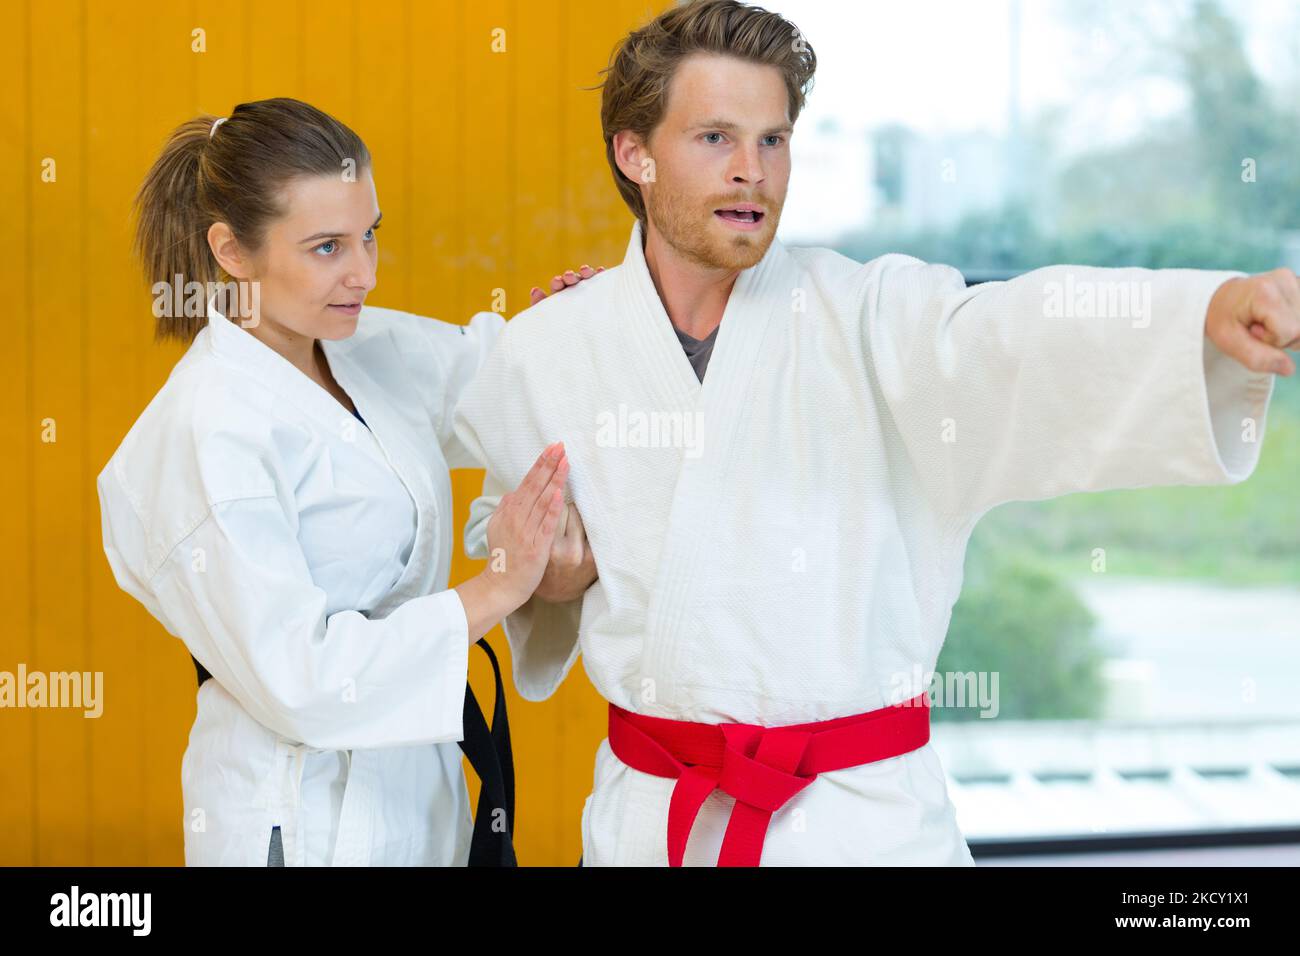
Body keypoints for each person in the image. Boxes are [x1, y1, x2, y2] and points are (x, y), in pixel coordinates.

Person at [450, 0, 1295, 866]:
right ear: (635, 154)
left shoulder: (873, 317)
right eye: (715, 139)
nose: (752, 171)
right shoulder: (552, 346)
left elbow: (1016, 338)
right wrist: (552, 572)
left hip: (863, 825)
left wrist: (1200, 316)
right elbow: (506, 535)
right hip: (653, 822)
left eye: (773, 140)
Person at [96, 97, 597, 866]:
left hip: (416, 793)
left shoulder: (362, 346)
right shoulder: (209, 430)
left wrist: (579, 328)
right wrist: (497, 587)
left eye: (370, 234)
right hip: (299, 815)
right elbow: (303, 680)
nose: (362, 272)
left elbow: (498, 376)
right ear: (231, 250)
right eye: (327, 247)